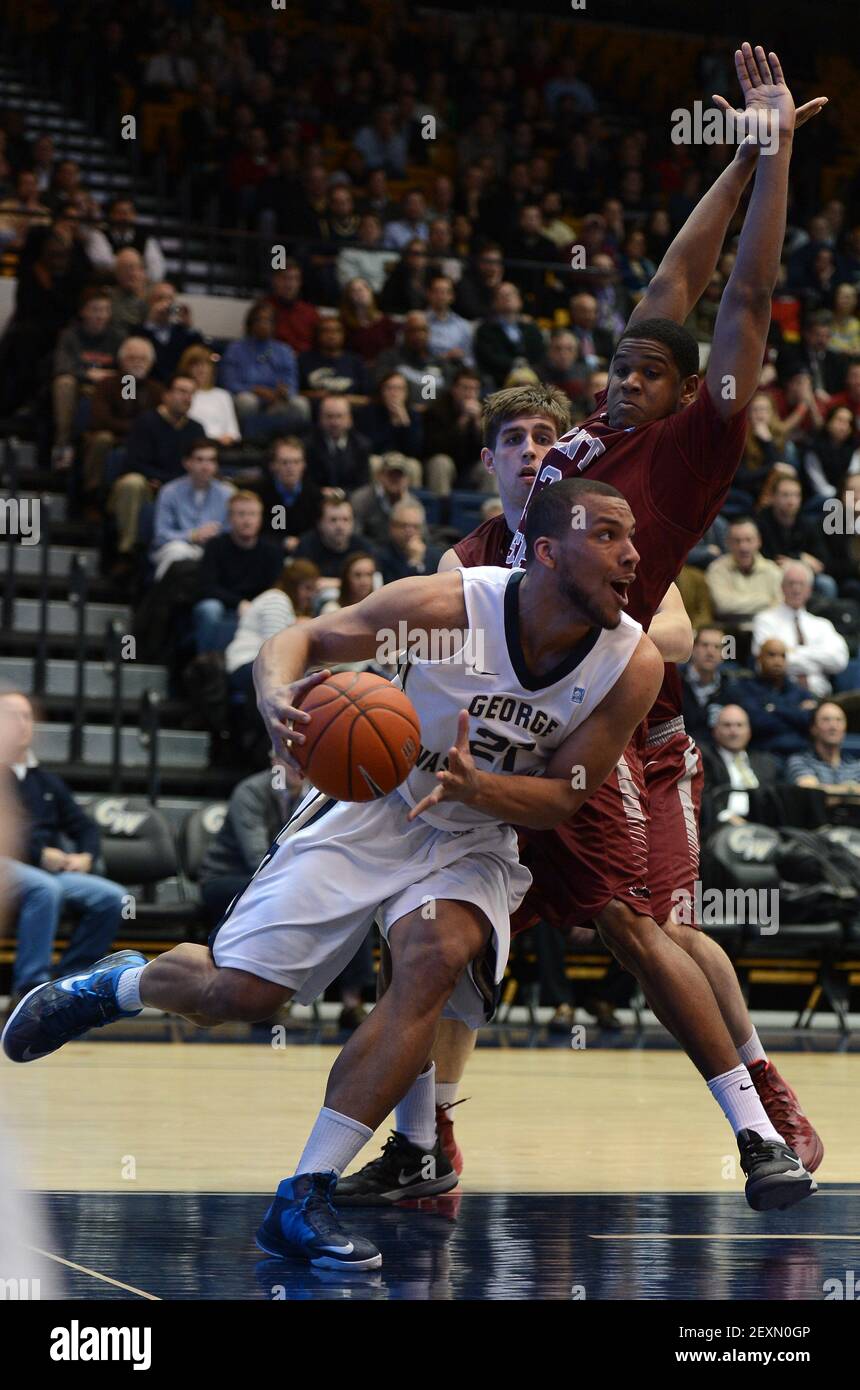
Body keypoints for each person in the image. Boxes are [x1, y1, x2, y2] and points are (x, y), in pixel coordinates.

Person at [345, 47, 827, 1200]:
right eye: (611, 368)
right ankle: (422, 1142)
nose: (619, 382)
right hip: (505, 700)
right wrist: (735, 154)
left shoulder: (692, 448)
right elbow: (674, 274)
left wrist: (775, 163)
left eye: (644, 376)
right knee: (432, 924)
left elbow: (739, 296)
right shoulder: (571, 446)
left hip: (595, 719)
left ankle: (761, 1117)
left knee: (628, 921)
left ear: (683, 395)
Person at [5, 478, 704, 1271]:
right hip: (372, 805)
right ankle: (116, 987)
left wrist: (480, 789)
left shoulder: (630, 662)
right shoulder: (454, 608)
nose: (634, 554)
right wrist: (274, 698)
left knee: (434, 959)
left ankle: (303, 1193)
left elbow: (561, 798)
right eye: (610, 536)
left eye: (634, 536)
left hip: (473, 835)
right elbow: (302, 638)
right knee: (235, 996)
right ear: (546, 552)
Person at [0, 691, 124, 1007]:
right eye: (12, 715)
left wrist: (86, 856)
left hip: (47, 871)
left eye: (27, 716)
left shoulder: (46, 780)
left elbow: (83, 826)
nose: (22, 723)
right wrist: (40, 855)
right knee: (45, 889)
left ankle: (67, 988)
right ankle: (30, 991)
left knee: (111, 898)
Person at [108, 375, 207, 572]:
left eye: (191, 393)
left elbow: (199, 465)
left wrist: (169, 484)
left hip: (180, 488)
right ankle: (126, 551)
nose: (187, 398)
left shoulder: (196, 429)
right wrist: (161, 482)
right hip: (148, 485)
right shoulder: (146, 422)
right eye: (181, 391)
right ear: (166, 396)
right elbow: (133, 462)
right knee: (131, 483)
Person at [198, 763, 305, 927]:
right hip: (226, 876)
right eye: (289, 759)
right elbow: (257, 858)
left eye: (302, 759)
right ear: (275, 760)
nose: (296, 765)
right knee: (283, 893)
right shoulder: (251, 792)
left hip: (274, 876)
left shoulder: (312, 795)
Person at [192, 492, 282, 653]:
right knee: (209, 609)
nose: (247, 520)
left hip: (259, 607)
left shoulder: (272, 550)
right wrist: (239, 603)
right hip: (224, 604)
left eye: (252, 514)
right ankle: (205, 664)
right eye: (241, 514)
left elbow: (275, 588)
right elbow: (206, 586)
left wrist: (254, 606)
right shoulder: (216, 545)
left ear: (260, 518)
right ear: (230, 518)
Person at [224, 559, 319, 707]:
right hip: (246, 666)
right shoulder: (277, 600)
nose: (310, 595)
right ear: (293, 585)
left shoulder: (284, 604)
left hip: (256, 666)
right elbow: (273, 650)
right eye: (307, 588)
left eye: (314, 590)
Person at [82, 336, 163, 506]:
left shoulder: (157, 389)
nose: (137, 363)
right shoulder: (108, 384)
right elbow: (100, 419)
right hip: (113, 438)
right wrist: (135, 428)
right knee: (102, 439)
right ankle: (93, 496)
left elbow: (159, 423)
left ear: (151, 362)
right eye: (132, 358)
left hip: (144, 443)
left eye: (143, 359)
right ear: (121, 361)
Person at [752, 561, 849, 696]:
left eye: (801, 584)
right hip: (779, 695)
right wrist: (818, 662)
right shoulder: (765, 620)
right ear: (781, 587)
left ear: (809, 590)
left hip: (821, 697)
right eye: (791, 583)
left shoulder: (822, 625)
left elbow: (839, 661)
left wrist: (793, 652)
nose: (796, 589)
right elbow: (764, 664)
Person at [51, 288, 122, 469]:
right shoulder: (70, 335)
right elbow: (61, 367)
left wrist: (112, 378)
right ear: (83, 311)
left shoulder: (119, 337)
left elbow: (128, 372)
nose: (100, 315)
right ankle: (63, 444)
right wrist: (88, 374)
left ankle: (125, 437)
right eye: (95, 309)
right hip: (80, 389)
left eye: (105, 310)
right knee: (64, 382)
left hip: (111, 392)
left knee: (130, 382)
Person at [219, 300, 311, 434]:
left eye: (268, 320)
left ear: (274, 325)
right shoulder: (235, 349)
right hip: (249, 397)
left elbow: (292, 383)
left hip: (277, 400)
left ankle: (297, 445)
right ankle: (246, 442)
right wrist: (255, 390)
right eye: (259, 320)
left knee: (300, 404)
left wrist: (284, 392)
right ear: (250, 323)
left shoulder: (284, 350)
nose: (264, 324)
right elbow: (229, 383)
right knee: (247, 401)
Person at [150, 440, 233, 581]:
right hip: (176, 548)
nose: (206, 466)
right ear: (187, 463)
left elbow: (231, 534)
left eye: (211, 460)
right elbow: (161, 536)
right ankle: (163, 600)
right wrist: (193, 535)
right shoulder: (169, 491)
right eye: (199, 460)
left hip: (212, 551)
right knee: (177, 551)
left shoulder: (228, 494)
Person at [726, 639, 817, 757]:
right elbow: (757, 723)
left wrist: (773, 708)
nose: (778, 661)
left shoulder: (799, 691)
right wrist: (795, 712)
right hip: (763, 755)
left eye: (782, 656)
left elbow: (809, 721)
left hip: (800, 755)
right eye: (771, 655)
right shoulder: (746, 688)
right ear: (759, 658)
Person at [700, 704, 781, 827]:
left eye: (739, 725)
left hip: (763, 826)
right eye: (727, 725)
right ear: (715, 731)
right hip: (722, 826)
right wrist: (725, 816)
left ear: (749, 732)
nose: (734, 731)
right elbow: (703, 796)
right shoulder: (705, 759)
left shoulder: (766, 762)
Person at [706, 518, 783, 627]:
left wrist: (738, 602)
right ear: (728, 543)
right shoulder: (717, 569)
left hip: (767, 630)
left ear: (759, 541)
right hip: (730, 631)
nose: (743, 547)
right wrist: (766, 600)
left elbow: (781, 605)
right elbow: (723, 605)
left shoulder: (772, 570)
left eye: (748, 540)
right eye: (737, 541)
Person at [255, 436, 322, 553]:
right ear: (273, 465)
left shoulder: (315, 496)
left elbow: (318, 530)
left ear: (303, 465)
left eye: (296, 462)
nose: (290, 468)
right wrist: (282, 541)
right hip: (268, 553)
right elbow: (258, 530)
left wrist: (302, 542)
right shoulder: (259, 495)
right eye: (285, 462)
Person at [474, 282, 546, 388]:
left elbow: (539, 353)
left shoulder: (531, 328)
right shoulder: (486, 330)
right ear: (494, 302)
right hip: (499, 380)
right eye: (502, 295)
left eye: (511, 294)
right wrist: (513, 363)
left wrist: (525, 366)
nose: (507, 298)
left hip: (532, 377)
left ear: (520, 301)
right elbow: (488, 357)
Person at [293, 493, 375, 579]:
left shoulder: (363, 548)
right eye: (333, 520)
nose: (340, 526)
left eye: (345, 520)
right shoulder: (306, 545)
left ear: (353, 523)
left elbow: (374, 579)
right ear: (320, 523)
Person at [787, 701, 860, 792]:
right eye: (826, 720)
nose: (833, 726)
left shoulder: (856, 766)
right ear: (813, 728)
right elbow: (811, 793)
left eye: (839, 720)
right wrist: (850, 788)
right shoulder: (800, 761)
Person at [349, 453, 419, 546]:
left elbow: (423, 537)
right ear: (379, 475)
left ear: (407, 479)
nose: (395, 479)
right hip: (370, 553)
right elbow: (355, 537)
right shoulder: (361, 499)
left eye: (399, 475)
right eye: (391, 474)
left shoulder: (414, 504)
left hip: (403, 554)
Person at [177, 344, 241, 448]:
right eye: (196, 364)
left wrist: (222, 441)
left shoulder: (223, 395)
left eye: (206, 364)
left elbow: (233, 433)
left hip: (219, 448)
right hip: (190, 447)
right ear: (186, 368)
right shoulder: (181, 394)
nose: (201, 369)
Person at [304, 395, 371, 492]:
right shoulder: (307, 446)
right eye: (329, 416)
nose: (335, 422)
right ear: (320, 419)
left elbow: (363, 484)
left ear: (350, 420)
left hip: (351, 499)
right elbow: (305, 482)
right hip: (316, 499)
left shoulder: (362, 446)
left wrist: (339, 494)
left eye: (340, 416)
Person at [679, 625, 733, 745]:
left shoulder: (729, 687)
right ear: (693, 649)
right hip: (678, 752)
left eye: (717, 647)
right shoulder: (675, 681)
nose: (710, 651)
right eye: (705, 645)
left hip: (715, 756)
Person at [376, 500, 445, 584]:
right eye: (403, 525)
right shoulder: (380, 557)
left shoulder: (436, 557)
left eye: (415, 526)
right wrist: (415, 562)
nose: (409, 531)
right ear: (392, 527)